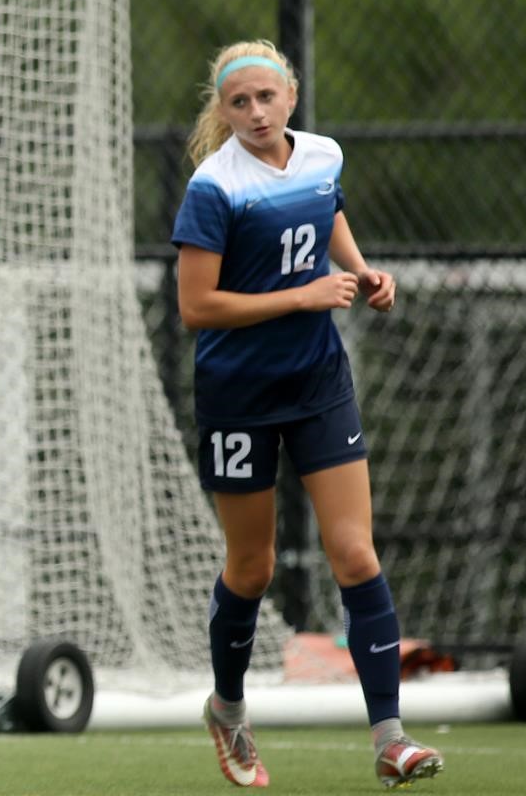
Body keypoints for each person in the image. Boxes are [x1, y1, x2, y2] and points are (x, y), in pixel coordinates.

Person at [172, 42, 442, 790]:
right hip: (239, 395)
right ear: (222, 112)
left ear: (291, 95)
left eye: (267, 97)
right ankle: (228, 709)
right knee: (252, 568)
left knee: (355, 554)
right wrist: (306, 295)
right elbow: (198, 307)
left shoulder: (323, 155)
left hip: (320, 382)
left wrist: (360, 271)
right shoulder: (213, 185)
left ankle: (390, 738)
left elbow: (327, 215)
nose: (255, 113)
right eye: (239, 103)